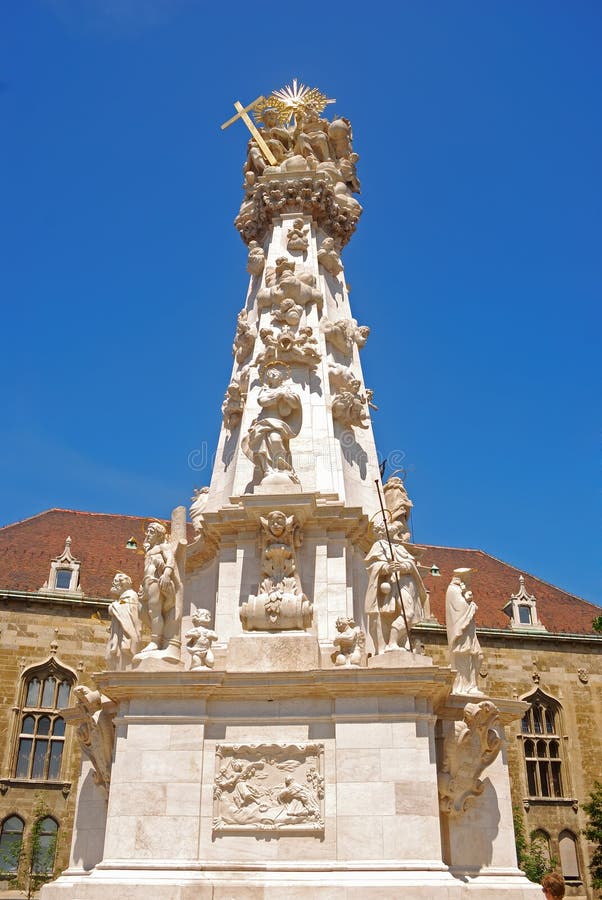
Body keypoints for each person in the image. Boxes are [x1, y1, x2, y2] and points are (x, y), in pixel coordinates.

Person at [242, 367, 302, 484]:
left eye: (275, 373)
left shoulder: (286, 389)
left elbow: (295, 404)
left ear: (281, 377)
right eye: (270, 373)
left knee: (275, 439)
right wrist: (278, 395)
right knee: (261, 447)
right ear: (267, 378)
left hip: (277, 422)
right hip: (263, 421)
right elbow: (262, 401)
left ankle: (282, 467)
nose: (273, 374)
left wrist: (286, 396)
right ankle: (267, 469)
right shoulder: (265, 389)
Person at [138, 521, 180, 657]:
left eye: (152, 532)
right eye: (148, 531)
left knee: (154, 610)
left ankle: (155, 641)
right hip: (146, 582)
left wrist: (167, 574)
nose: (148, 534)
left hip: (156, 580)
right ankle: (157, 635)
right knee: (141, 610)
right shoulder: (150, 549)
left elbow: (171, 560)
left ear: (159, 535)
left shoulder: (163, 546)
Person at [445, 568, 483, 694]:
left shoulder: (461, 590)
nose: (470, 579)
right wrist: (469, 602)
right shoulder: (453, 590)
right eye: (468, 576)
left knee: (479, 657)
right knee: (465, 657)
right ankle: (465, 686)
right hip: (461, 633)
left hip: (470, 632)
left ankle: (472, 685)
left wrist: (467, 596)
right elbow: (459, 610)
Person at [106, 572, 140, 671]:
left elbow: (130, 609)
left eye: (115, 583)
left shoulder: (131, 595)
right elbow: (121, 604)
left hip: (126, 633)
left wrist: (114, 606)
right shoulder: (123, 598)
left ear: (122, 584)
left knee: (124, 660)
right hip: (120, 632)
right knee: (117, 659)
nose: (113, 585)